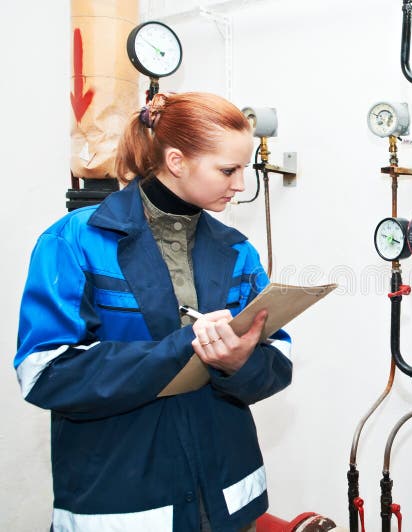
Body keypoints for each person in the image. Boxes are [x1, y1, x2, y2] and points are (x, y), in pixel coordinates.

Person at [14, 92, 293, 531]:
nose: (241, 185)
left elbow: (278, 360)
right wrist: (183, 348)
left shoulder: (237, 251)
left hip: (228, 504)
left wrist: (239, 363)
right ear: (177, 161)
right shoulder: (75, 241)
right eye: (228, 170)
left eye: (245, 169)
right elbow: (45, 372)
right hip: (124, 505)